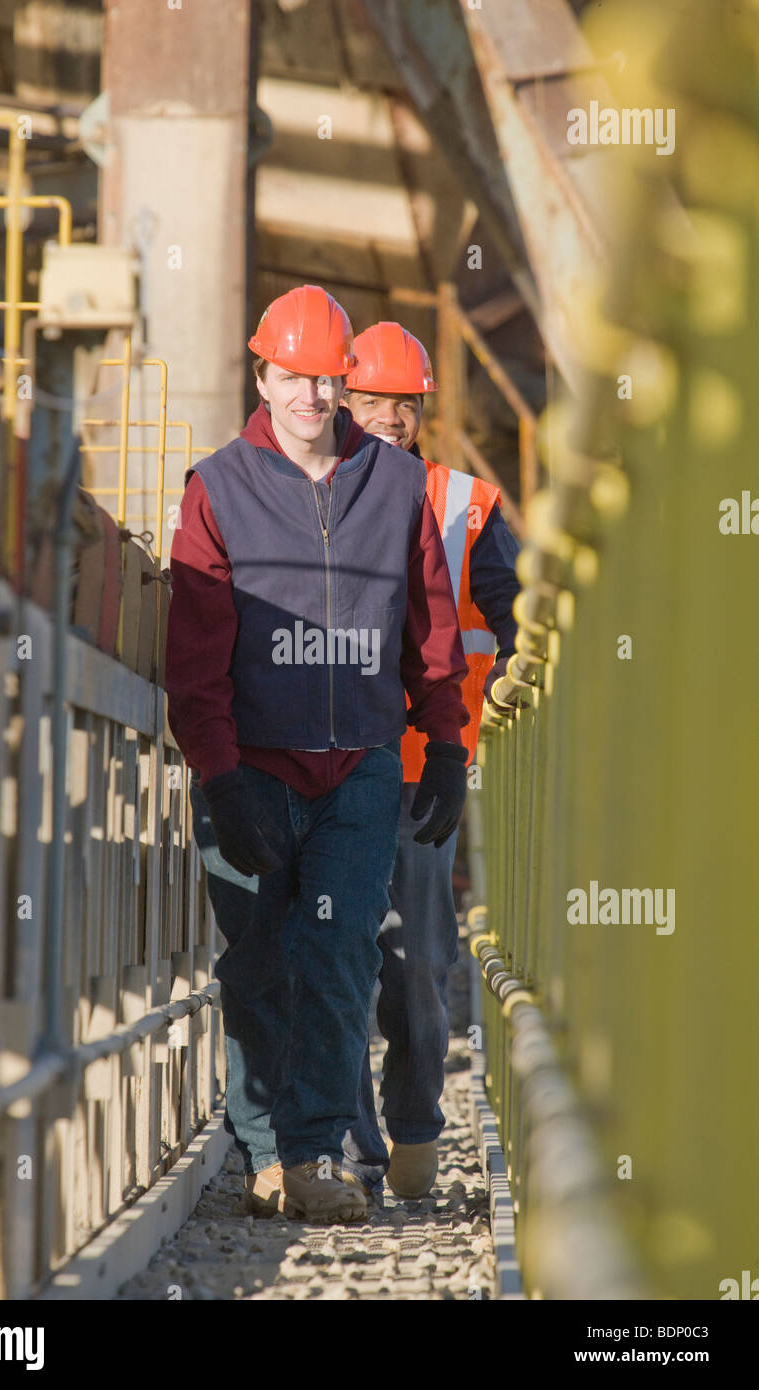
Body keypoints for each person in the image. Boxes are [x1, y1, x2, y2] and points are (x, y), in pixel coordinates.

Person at [164, 287, 471, 1223]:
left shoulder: (398, 485)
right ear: (262, 375)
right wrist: (220, 772)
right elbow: (194, 657)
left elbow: (431, 627)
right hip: (250, 766)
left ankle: (308, 1155)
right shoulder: (217, 488)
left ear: (344, 383)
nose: (310, 396)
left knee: (340, 956)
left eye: (326, 379)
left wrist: (447, 744)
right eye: (292, 376)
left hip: (359, 769)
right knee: (257, 963)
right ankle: (261, 1147)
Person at [341, 321, 521, 1200]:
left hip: (422, 766)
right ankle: (341, 1152)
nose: (388, 418)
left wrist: (514, 670)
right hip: (323, 763)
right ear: (340, 400)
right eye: (370, 399)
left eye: (402, 403)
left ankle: (412, 1139)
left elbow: (511, 613)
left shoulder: (465, 505)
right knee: (332, 951)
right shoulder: (300, 490)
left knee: (418, 960)